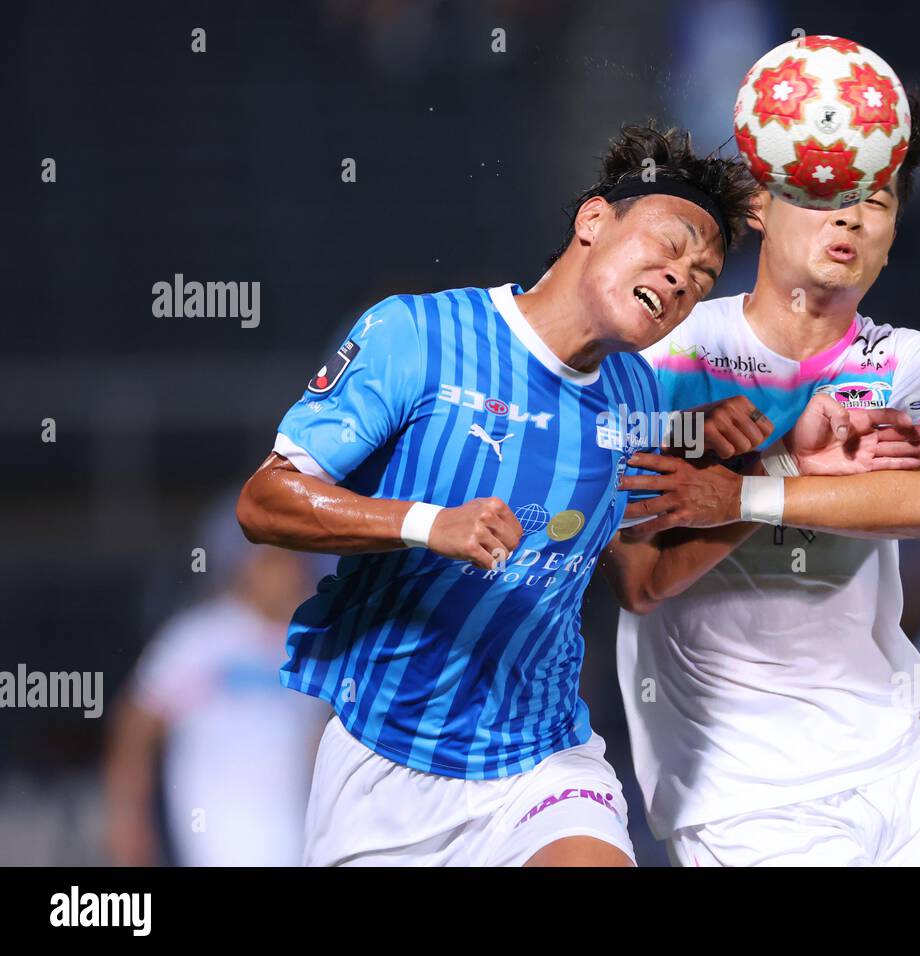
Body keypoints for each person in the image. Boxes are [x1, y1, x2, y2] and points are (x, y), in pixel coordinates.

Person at [235, 123, 762, 867]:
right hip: (385, 767)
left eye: (704, 276)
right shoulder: (418, 333)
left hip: (543, 760)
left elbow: (642, 584)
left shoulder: (636, 393)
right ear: (593, 221)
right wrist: (428, 525)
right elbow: (264, 501)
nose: (684, 279)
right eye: (670, 245)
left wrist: (757, 493)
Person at [603, 88, 920, 866]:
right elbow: (640, 579)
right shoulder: (670, 352)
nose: (853, 217)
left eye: (877, 200)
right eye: (828, 194)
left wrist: (748, 487)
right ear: (760, 204)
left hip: (901, 765)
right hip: (748, 795)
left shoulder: (905, 361)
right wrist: (784, 463)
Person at [104, 494, 327, 866]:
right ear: (245, 566)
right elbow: (136, 724)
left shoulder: (313, 648)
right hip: (218, 848)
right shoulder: (198, 639)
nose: (294, 573)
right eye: (280, 560)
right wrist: (127, 821)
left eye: (299, 561)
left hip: (297, 849)